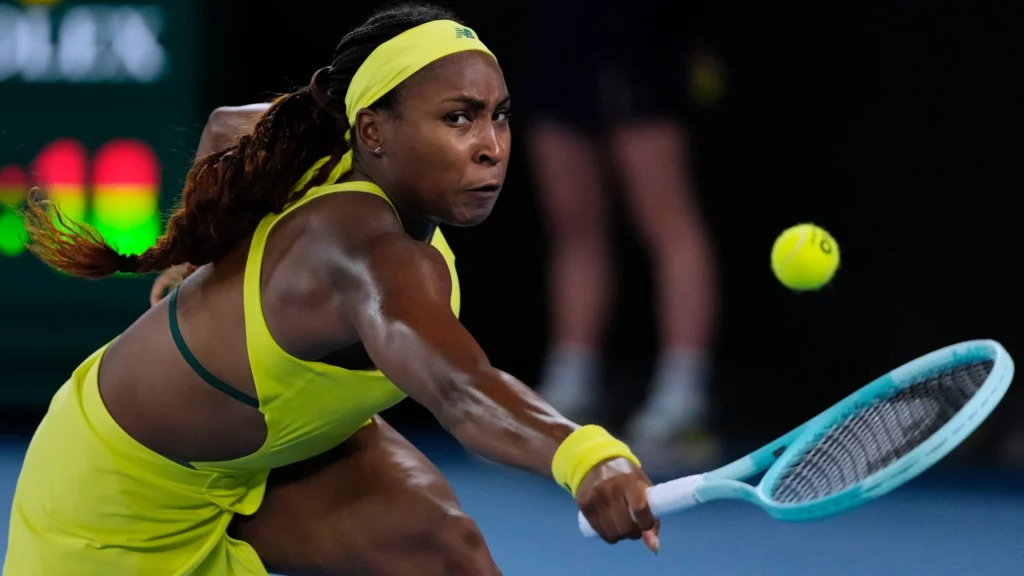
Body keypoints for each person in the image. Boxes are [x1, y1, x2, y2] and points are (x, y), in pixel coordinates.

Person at [6, 5, 660, 575]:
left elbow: (227, 123)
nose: (489, 146)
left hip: (263, 458)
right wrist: (585, 455)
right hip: (116, 500)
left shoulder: (319, 143)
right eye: (457, 119)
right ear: (374, 131)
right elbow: (459, 389)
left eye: (499, 116)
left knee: (446, 555)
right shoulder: (361, 251)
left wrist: (199, 254)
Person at [526, 0, 719, 468]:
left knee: (667, 221)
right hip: (560, 31)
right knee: (572, 221)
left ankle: (683, 400)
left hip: (639, 32)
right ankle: (571, 389)